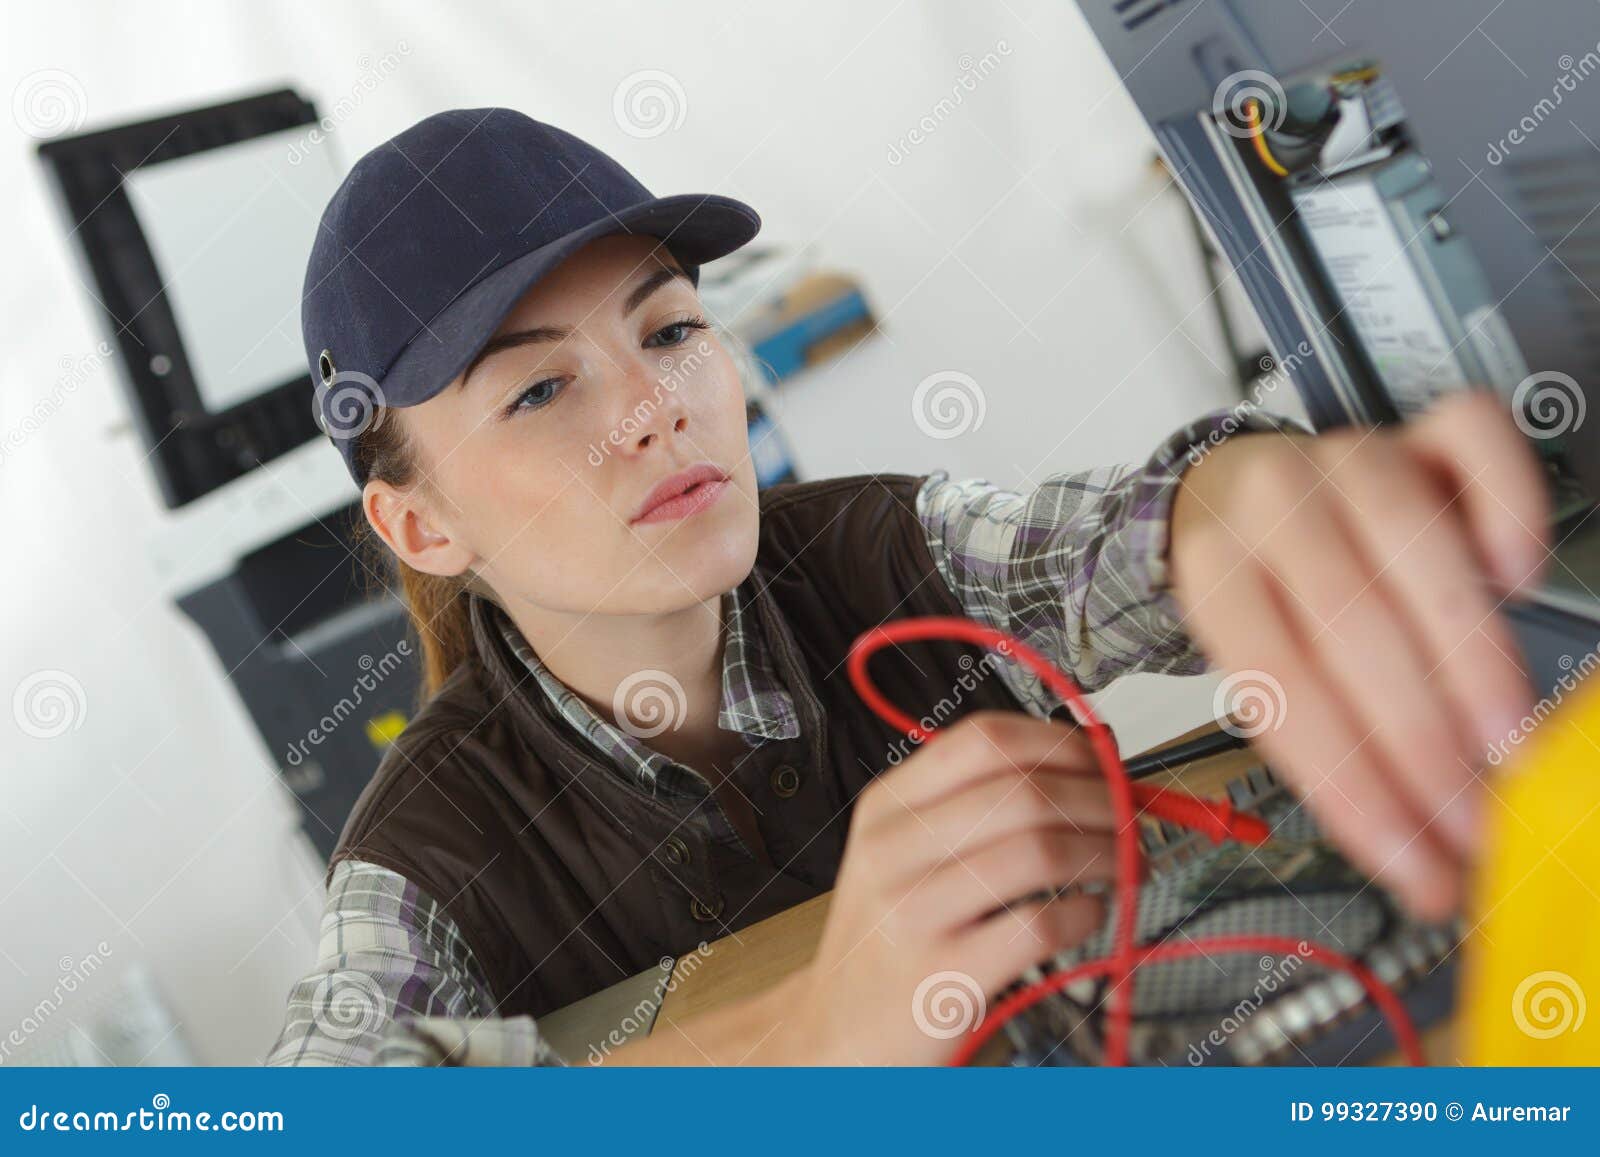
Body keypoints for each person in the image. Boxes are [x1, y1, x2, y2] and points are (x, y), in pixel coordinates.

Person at [265, 108, 1549, 1066]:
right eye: (542, 389)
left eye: (667, 332)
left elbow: (1117, 536)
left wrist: (1236, 501)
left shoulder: (876, 546)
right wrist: (811, 1030)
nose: (655, 412)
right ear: (418, 522)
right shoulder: (425, 858)